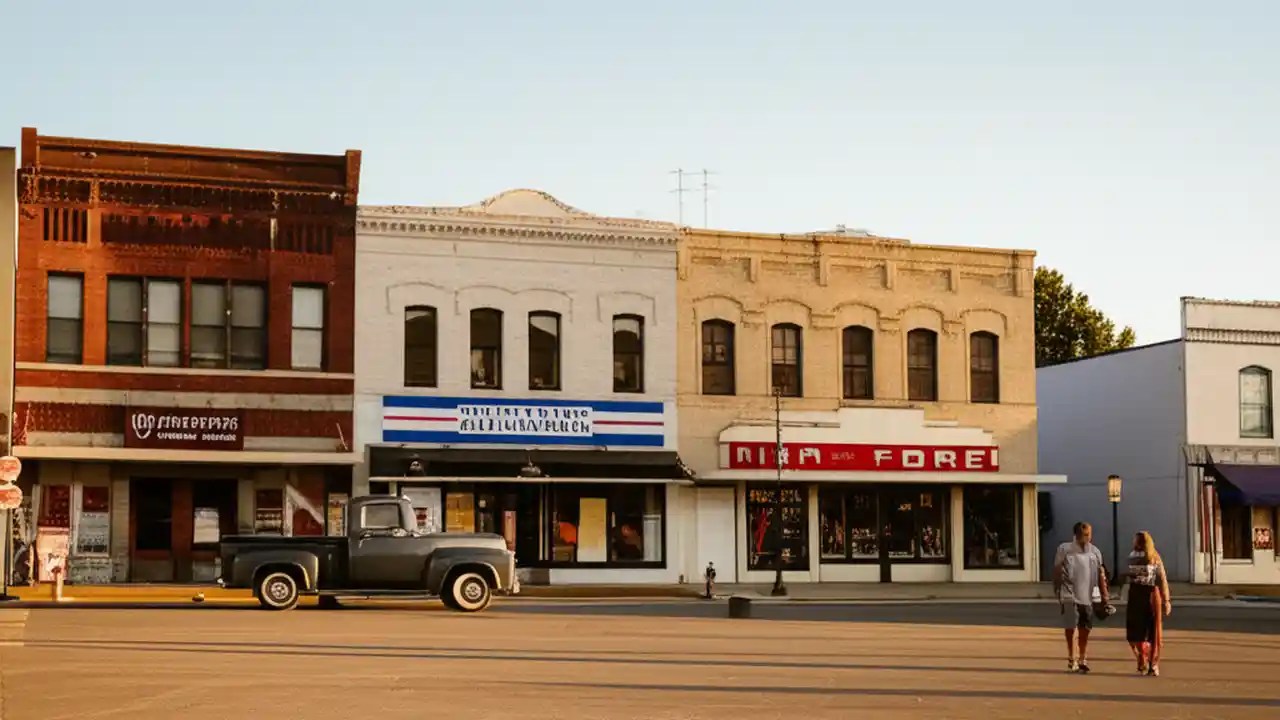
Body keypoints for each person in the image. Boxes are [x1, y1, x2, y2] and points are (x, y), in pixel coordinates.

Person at [1053, 521, 1110, 673]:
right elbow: (1057, 570)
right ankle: (1072, 657)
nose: (1088, 537)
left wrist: (1104, 597)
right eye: (1085, 534)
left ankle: (1083, 657)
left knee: (1085, 627)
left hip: (1088, 595)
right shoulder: (1064, 549)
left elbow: (1101, 574)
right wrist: (1057, 589)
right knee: (1071, 626)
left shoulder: (1095, 552)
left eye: (1089, 534)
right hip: (1069, 593)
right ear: (1077, 534)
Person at [1125, 531, 1172, 676]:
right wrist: (1166, 600)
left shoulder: (1136, 557)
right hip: (1149, 594)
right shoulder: (1150, 556)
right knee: (1152, 631)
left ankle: (1145, 659)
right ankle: (1150, 661)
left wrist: (1166, 600)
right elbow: (1161, 578)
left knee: (1139, 631)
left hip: (1140, 594)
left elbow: (1160, 578)